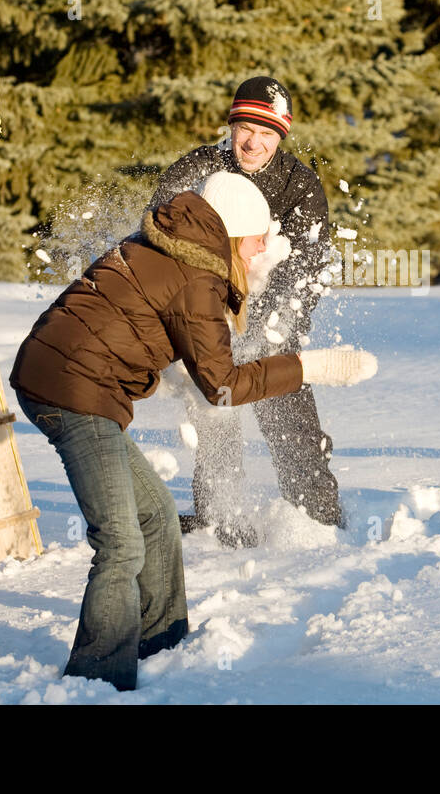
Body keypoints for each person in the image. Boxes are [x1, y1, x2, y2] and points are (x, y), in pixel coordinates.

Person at [9, 172, 377, 691]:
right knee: (119, 541)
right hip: (70, 391)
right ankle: (96, 680)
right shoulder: (196, 280)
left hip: (74, 380)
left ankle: (163, 643)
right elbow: (222, 386)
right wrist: (310, 366)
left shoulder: (174, 247)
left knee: (156, 514)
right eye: (256, 239)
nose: (264, 249)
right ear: (229, 237)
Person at [142, 76, 342, 546]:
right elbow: (159, 229)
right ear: (231, 126)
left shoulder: (299, 185)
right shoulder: (200, 168)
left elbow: (305, 268)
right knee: (215, 416)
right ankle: (218, 519)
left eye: (267, 132)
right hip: (203, 317)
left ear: (281, 136)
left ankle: (320, 521)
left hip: (272, 327)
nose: (254, 141)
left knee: (293, 422)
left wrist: (262, 332)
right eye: (245, 128)